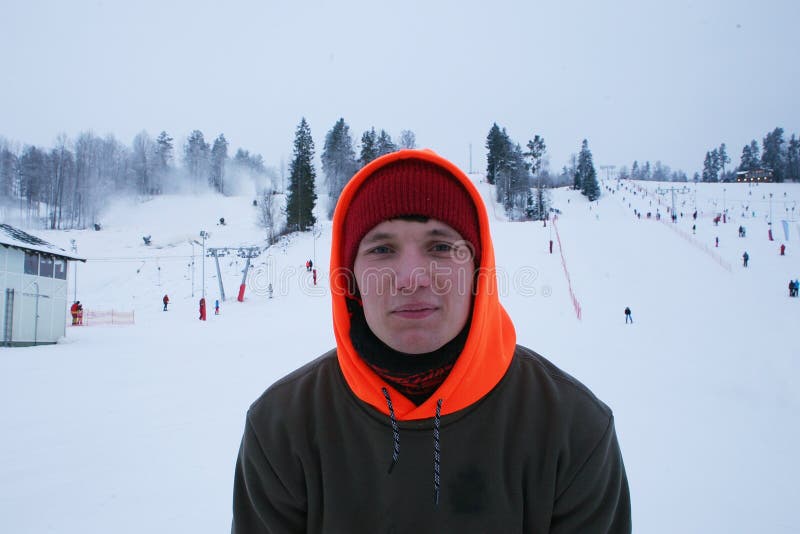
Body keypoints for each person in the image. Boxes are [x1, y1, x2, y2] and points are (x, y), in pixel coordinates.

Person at [231, 149, 631, 532]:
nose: (412, 277)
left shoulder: (571, 430)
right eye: (383, 249)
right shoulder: (282, 428)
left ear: (478, 270)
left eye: (440, 247)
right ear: (349, 278)